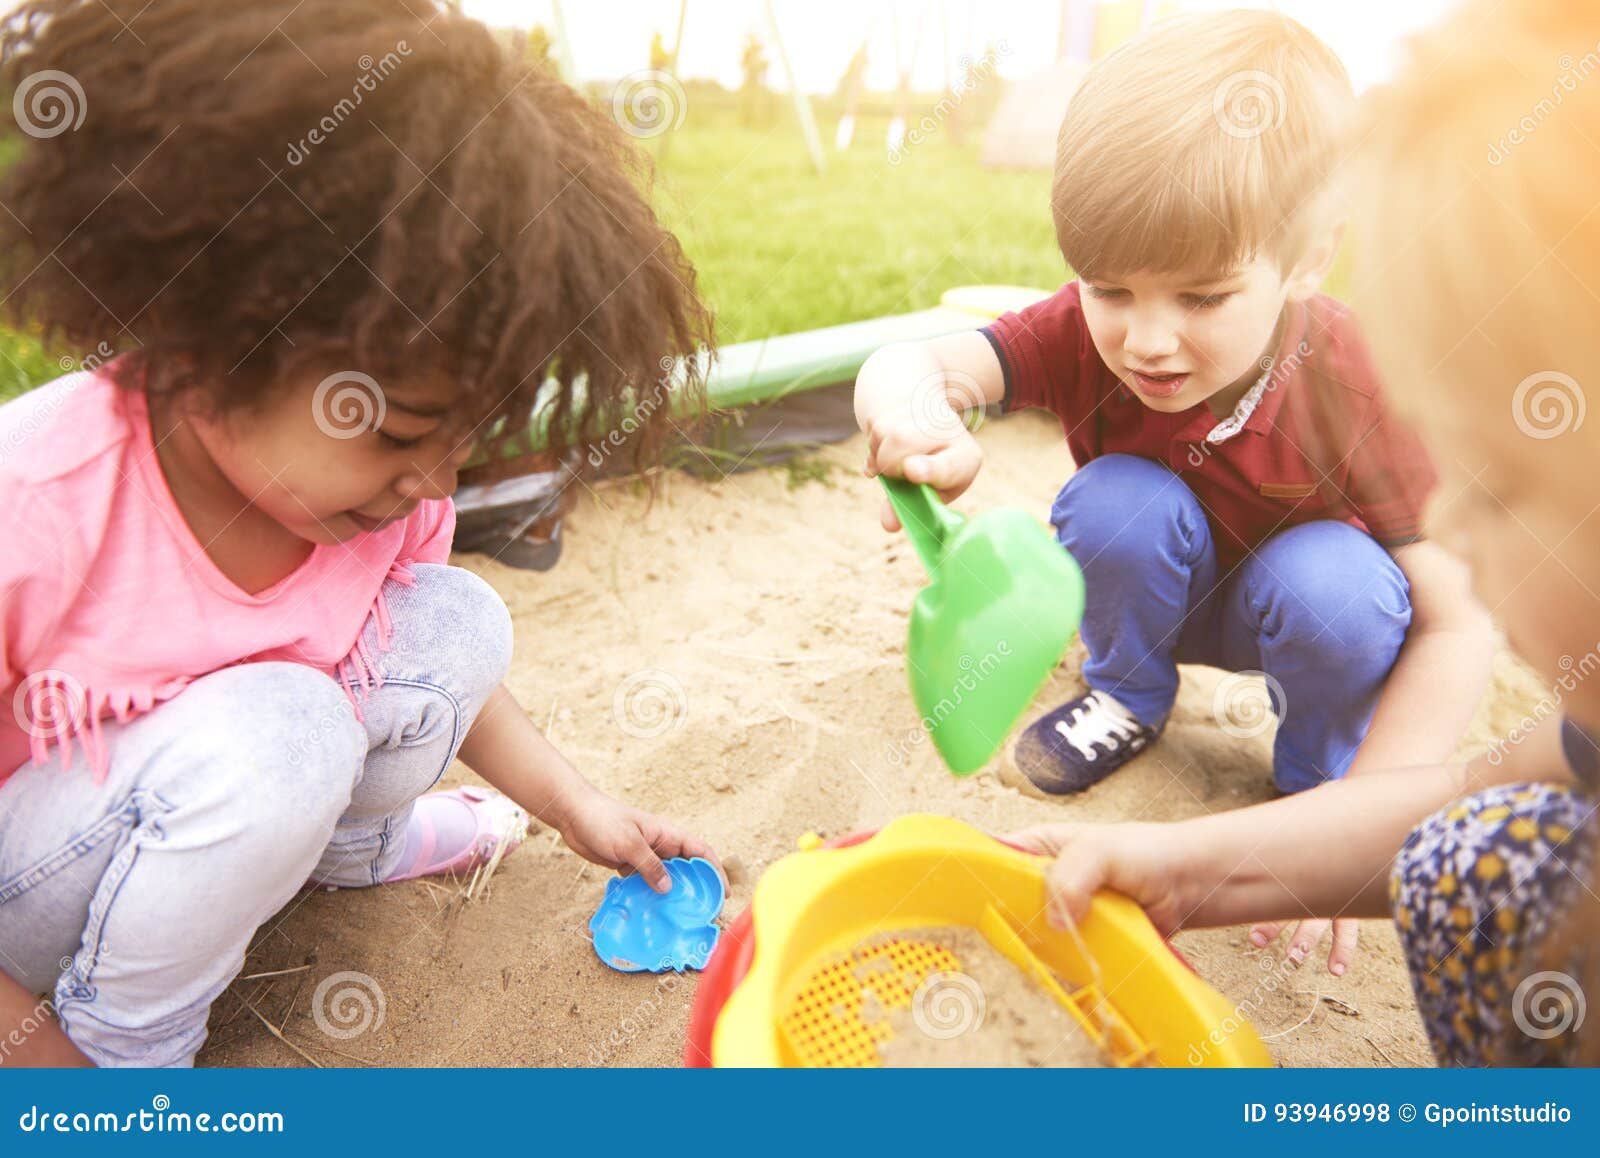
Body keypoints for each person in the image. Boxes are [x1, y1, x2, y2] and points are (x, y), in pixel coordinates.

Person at [0, 0, 716, 1066]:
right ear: (210, 336)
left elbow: (435, 677)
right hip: (39, 887)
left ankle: (343, 850)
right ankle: (126, 1052)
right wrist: (32, 1044)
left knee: (456, 620)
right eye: (394, 434)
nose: (432, 483)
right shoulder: (40, 501)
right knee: (287, 731)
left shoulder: (382, 498)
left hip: (227, 793)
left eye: (464, 440)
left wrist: (577, 805)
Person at [1013, 0, 1600, 1065]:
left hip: (1311, 612)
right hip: (1212, 621)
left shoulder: (1339, 373)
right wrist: (1190, 865)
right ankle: (1131, 700)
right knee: (1469, 849)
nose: (1454, 523)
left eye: (1505, 482)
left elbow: (1453, 645)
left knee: (1484, 868)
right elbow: (1513, 778)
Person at [854, 9, 1493, 972]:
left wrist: (1362, 827)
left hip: (1307, 620)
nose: (1148, 340)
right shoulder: (1083, 332)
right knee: (1117, 504)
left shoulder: (1358, 384)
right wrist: (918, 413)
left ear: (1308, 260)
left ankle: (1313, 781)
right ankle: (1127, 694)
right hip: (1164, 596)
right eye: (1110, 288)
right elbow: (914, 360)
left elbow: (1460, 623)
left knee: (1338, 585)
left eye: (1201, 297)